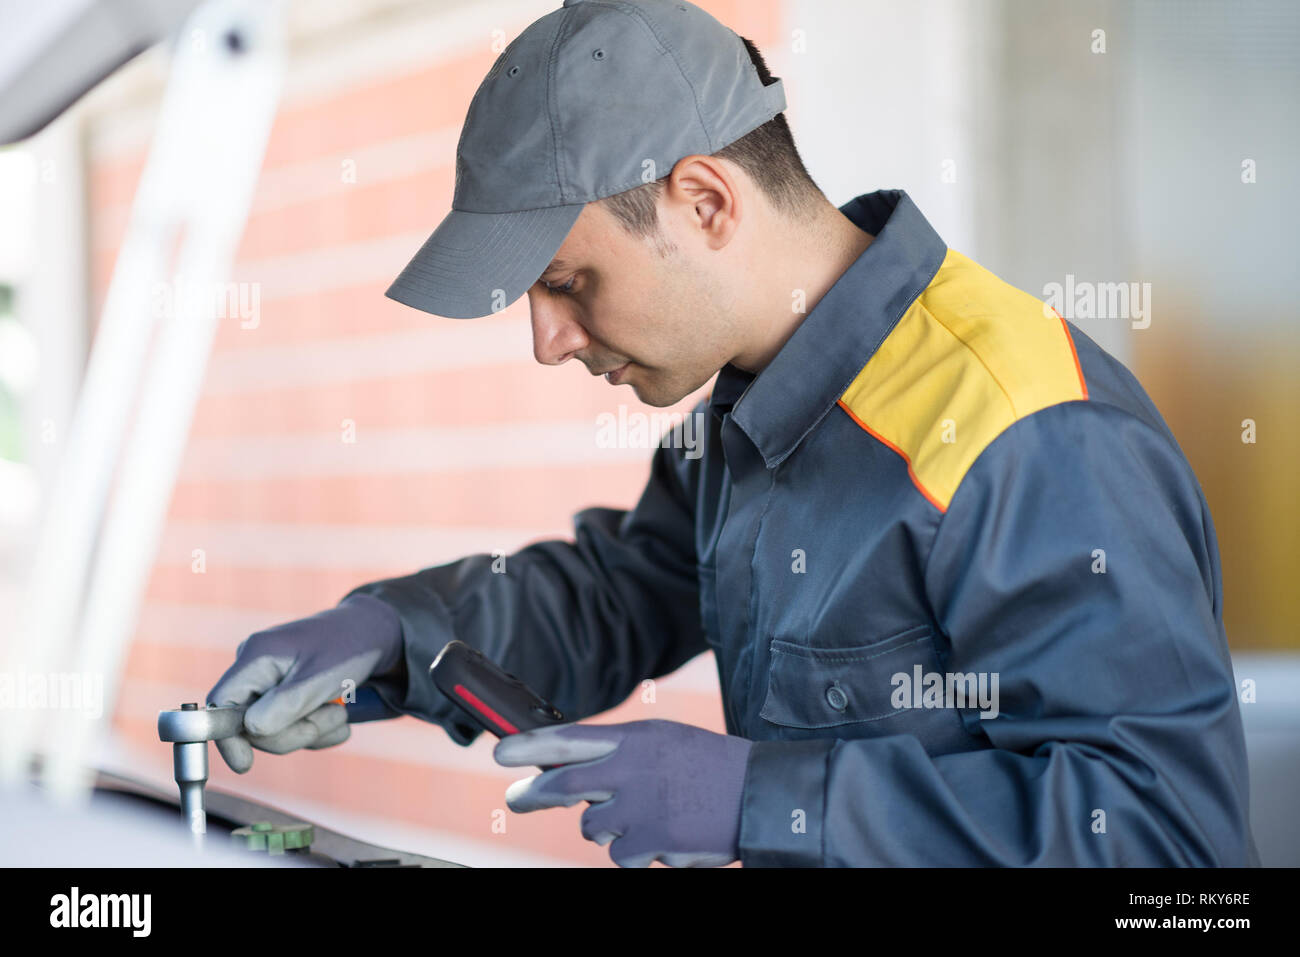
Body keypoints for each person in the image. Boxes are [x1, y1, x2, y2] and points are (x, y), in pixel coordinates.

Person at [207, 0, 1260, 868]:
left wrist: (771, 798)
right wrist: (402, 635)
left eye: (569, 283)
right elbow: (622, 593)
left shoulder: (1027, 433)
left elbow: (1165, 847)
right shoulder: (760, 403)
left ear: (704, 202)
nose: (547, 340)